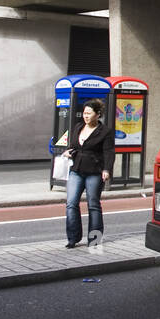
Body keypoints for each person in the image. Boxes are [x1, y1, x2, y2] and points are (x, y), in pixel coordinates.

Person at [62, 98, 115, 248]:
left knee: (93, 205)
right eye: (84, 113)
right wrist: (68, 152)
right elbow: (74, 146)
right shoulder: (78, 127)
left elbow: (109, 152)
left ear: (98, 115)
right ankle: (72, 238)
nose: (85, 116)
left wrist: (106, 170)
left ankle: (95, 239)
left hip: (94, 172)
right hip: (76, 170)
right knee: (71, 203)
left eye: (89, 113)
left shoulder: (105, 132)